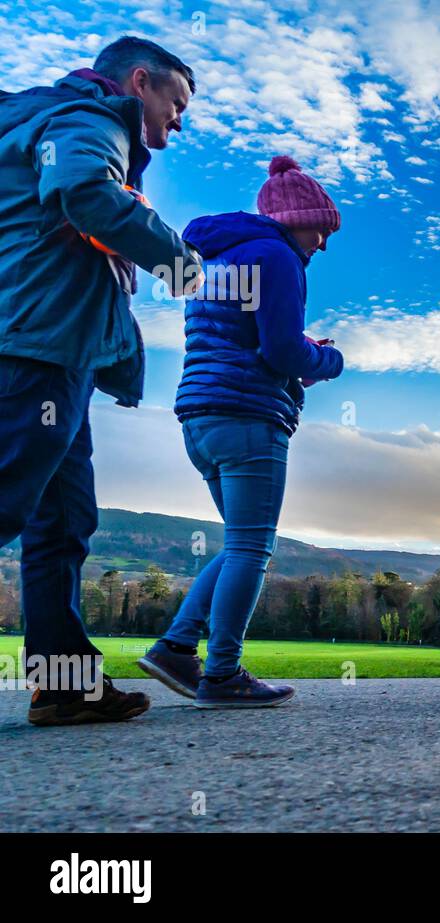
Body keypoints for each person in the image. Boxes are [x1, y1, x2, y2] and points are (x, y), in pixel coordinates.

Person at [1, 37, 204, 726]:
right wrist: (182, 264)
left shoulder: (60, 122)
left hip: (58, 348)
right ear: (138, 82)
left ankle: (66, 683)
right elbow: (87, 194)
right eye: (176, 103)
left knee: (61, 522)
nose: (179, 120)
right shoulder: (88, 119)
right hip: (34, 346)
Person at [136, 156, 344, 708]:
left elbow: (244, 338)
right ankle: (222, 673)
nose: (322, 243)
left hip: (199, 415)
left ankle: (177, 647)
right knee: (253, 547)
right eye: (321, 228)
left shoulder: (217, 257)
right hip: (248, 414)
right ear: (297, 218)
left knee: (239, 543)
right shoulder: (277, 257)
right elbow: (280, 350)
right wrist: (327, 360)